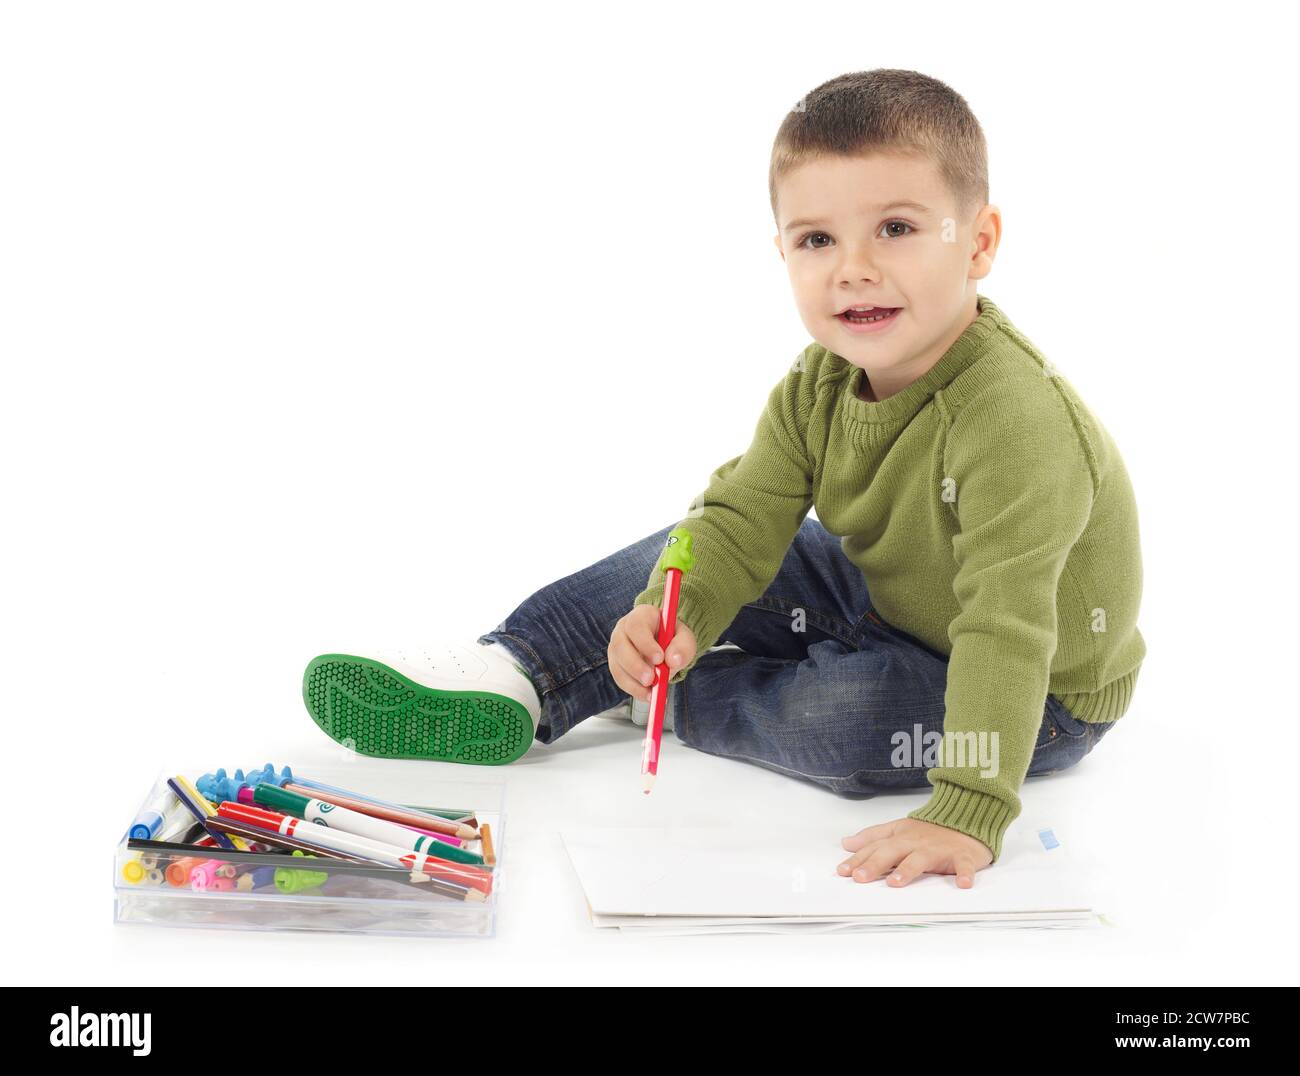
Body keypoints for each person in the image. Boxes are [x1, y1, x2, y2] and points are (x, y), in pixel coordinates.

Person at [301, 69, 1145, 889]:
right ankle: (526, 668)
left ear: (981, 242)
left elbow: (1007, 626)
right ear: (781, 250)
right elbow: (743, 519)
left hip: (1038, 693)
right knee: (694, 552)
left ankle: (669, 699)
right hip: (889, 596)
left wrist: (967, 807)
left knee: (843, 722)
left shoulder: (1015, 422)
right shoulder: (819, 381)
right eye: (818, 239)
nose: (852, 268)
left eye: (895, 228)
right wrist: (679, 607)